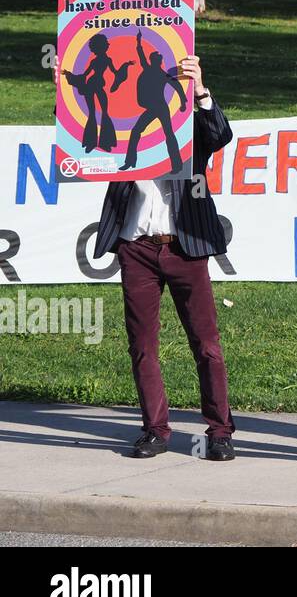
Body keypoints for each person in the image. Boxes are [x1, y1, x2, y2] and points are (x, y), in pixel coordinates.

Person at [57, 48, 236, 460]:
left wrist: (201, 90)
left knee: (206, 344)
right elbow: (78, 139)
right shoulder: (121, 128)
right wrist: (66, 84)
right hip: (135, 247)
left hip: (184, 246)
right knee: (142, 345)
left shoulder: (187, 121)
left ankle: (220, 431)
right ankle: (155, 430)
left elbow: (220, 134)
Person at [121, 30, 188, 175]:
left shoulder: (161, 73)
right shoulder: (151, 70)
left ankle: (177, 165)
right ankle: (130, 161)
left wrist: (183, 101)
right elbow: (141, 54)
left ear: (157, 61)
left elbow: (177, 85)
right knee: (137, 131)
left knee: (168, 134)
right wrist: (138, 42)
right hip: (153, 108)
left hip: (160, 108)